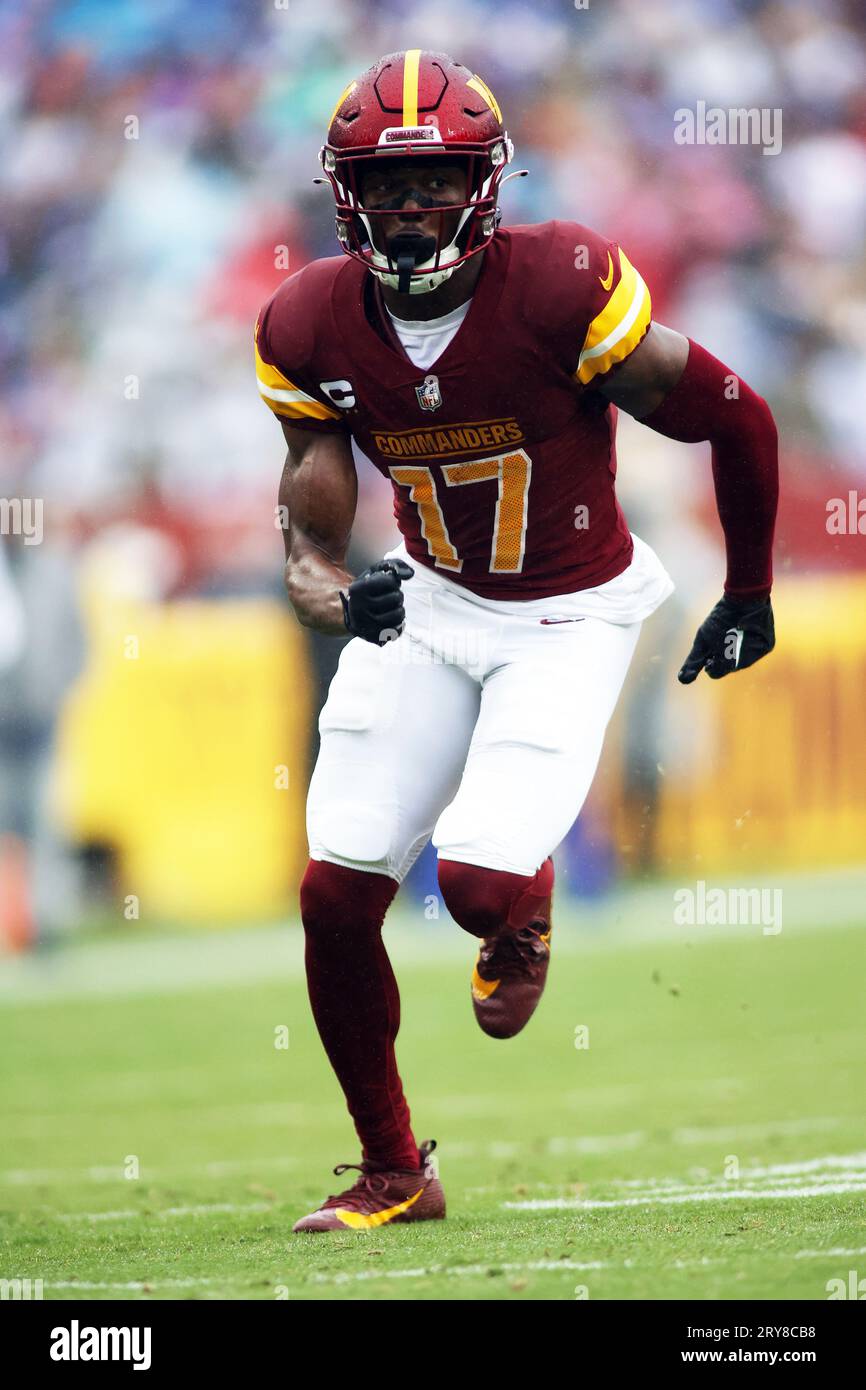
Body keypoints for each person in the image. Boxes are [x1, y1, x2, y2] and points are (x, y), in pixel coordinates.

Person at [254, 50, 778, 1233]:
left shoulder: (562, 285)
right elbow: (305, 521)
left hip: (567, 610)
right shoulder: (306, 319)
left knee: (479, 882)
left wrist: (745, 585)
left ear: (485, 181)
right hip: (431, 605)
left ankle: (522, 905)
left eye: (430, 179)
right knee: (333, 894)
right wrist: (332, 588)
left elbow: (734, 410)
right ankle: (395, 1168)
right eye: (382, 183)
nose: (406, 205)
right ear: (342, 192)